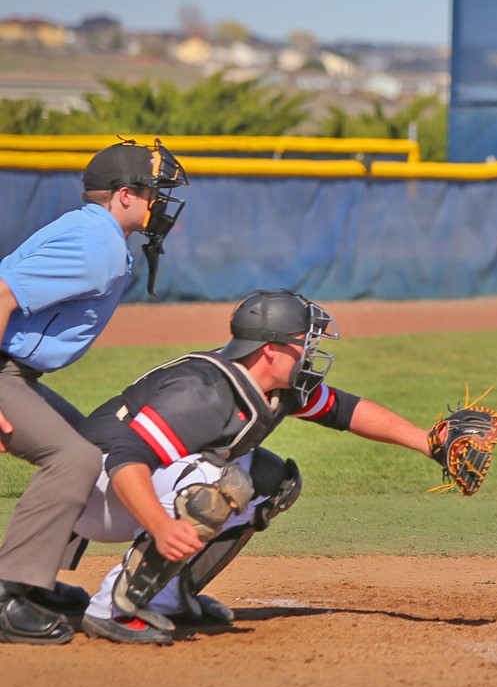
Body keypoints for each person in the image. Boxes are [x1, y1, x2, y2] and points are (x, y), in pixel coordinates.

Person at [47, 289, 441, 646]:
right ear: (270, 349)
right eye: (304, 342)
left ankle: (165, 597)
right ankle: (111, 608)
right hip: (92, 490)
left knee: (270, 481)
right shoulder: (204, 392)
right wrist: (160, 524)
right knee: (216, 485)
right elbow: (124, 457)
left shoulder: (276, 385)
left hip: (129, 481)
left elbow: (344, 409)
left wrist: (426, 442)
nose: (310, 352)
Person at [0, 139, 188, 645]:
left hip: (15, 372)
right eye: (154, 192)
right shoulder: (95, 244)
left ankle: (34, 582)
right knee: (74, 458)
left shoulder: (95, 234)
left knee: (92, 448)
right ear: (124, 194)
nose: (160, 204)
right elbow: (0, 294)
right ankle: (9, 593)